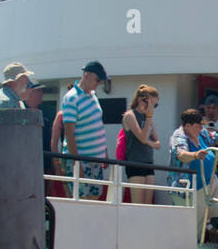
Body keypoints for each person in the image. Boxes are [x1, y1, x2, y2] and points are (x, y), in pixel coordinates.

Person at [169, 108, 218, 240]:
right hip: (192, 186)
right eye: (199, 125)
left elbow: (216, 138)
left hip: (209, 180)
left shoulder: (202, 133)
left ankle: (209, 223)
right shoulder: (178, 136)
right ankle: (193, 247)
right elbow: (181, 155)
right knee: (195, 221)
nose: (202, 127)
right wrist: (196, 155)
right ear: (188, 126)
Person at [51, 61, 109, 200]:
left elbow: (97, 125)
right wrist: (77, 163)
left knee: (94, 199)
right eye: (97, 79)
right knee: (81, 201)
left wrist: (104, 152)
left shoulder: (93, 96)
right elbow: (69, 133)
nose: (99, 83)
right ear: (87, 75)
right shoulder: (71, 98)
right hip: (81, 160)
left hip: (94, 159)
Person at [123, 85, 162, 204]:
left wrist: (147, 142)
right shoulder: (130, 115)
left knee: (147, 204)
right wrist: (149, 116)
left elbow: (158, 144)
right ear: (140, 100)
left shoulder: (148, 117)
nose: (151, 108)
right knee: (138, 204)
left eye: (155, 106)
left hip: (148, 162)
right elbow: (142, 137)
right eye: (150, 104)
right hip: (134, 162)